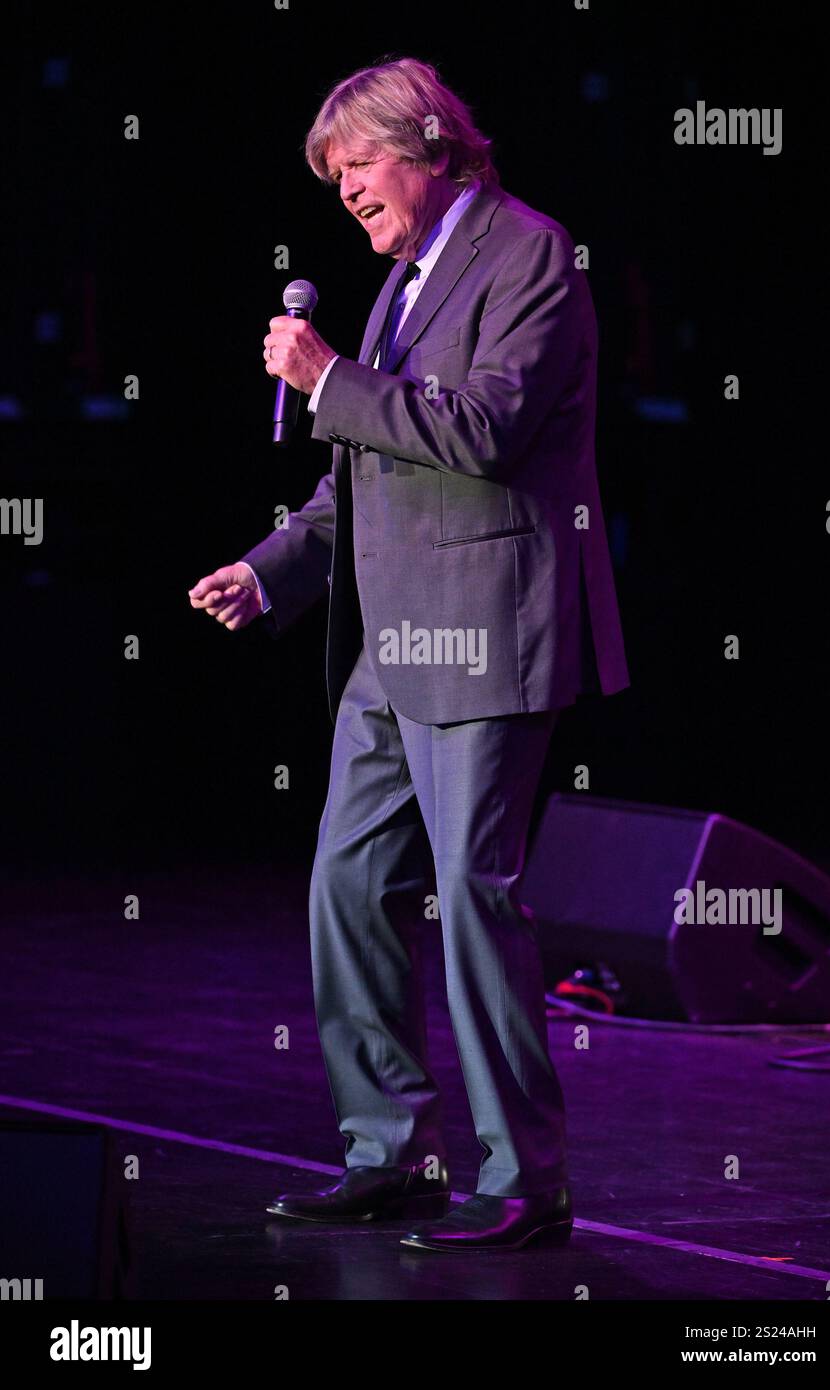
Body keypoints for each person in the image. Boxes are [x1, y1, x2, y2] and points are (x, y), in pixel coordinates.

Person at [188, 56, 628, 1252]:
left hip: (486, 628)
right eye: (331, 178)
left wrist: (328, 375)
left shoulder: (528, 254)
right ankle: (388, 1151)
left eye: (358, 164)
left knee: (473, 903)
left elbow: (480, 433)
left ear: (431, 142)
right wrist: (270, 567)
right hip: (388, 642)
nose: (345, 193)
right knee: (345, 886)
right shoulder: (399, 285)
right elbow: (366, 477)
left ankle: (523, 1178)